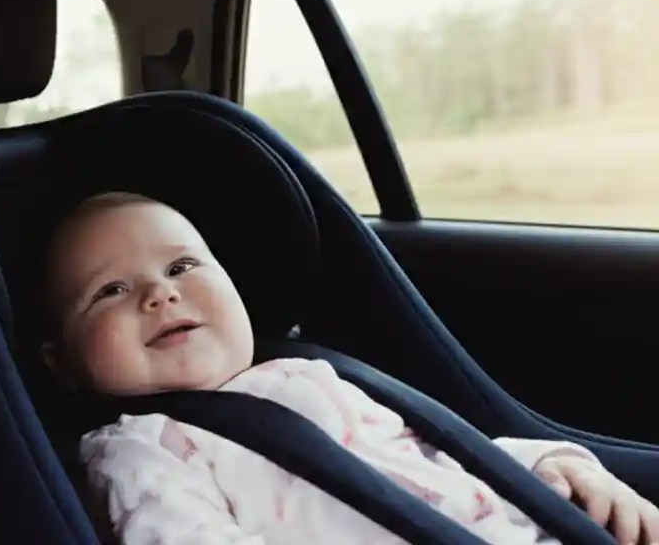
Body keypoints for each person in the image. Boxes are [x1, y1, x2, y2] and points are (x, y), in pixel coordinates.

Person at [40, 191, 659, 545]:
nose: (159, 295)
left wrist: (555, 466)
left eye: (181, 268)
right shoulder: (136, 452)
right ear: (63, 363)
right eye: (110, 291)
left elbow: (431, 462)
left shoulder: (308, 374)